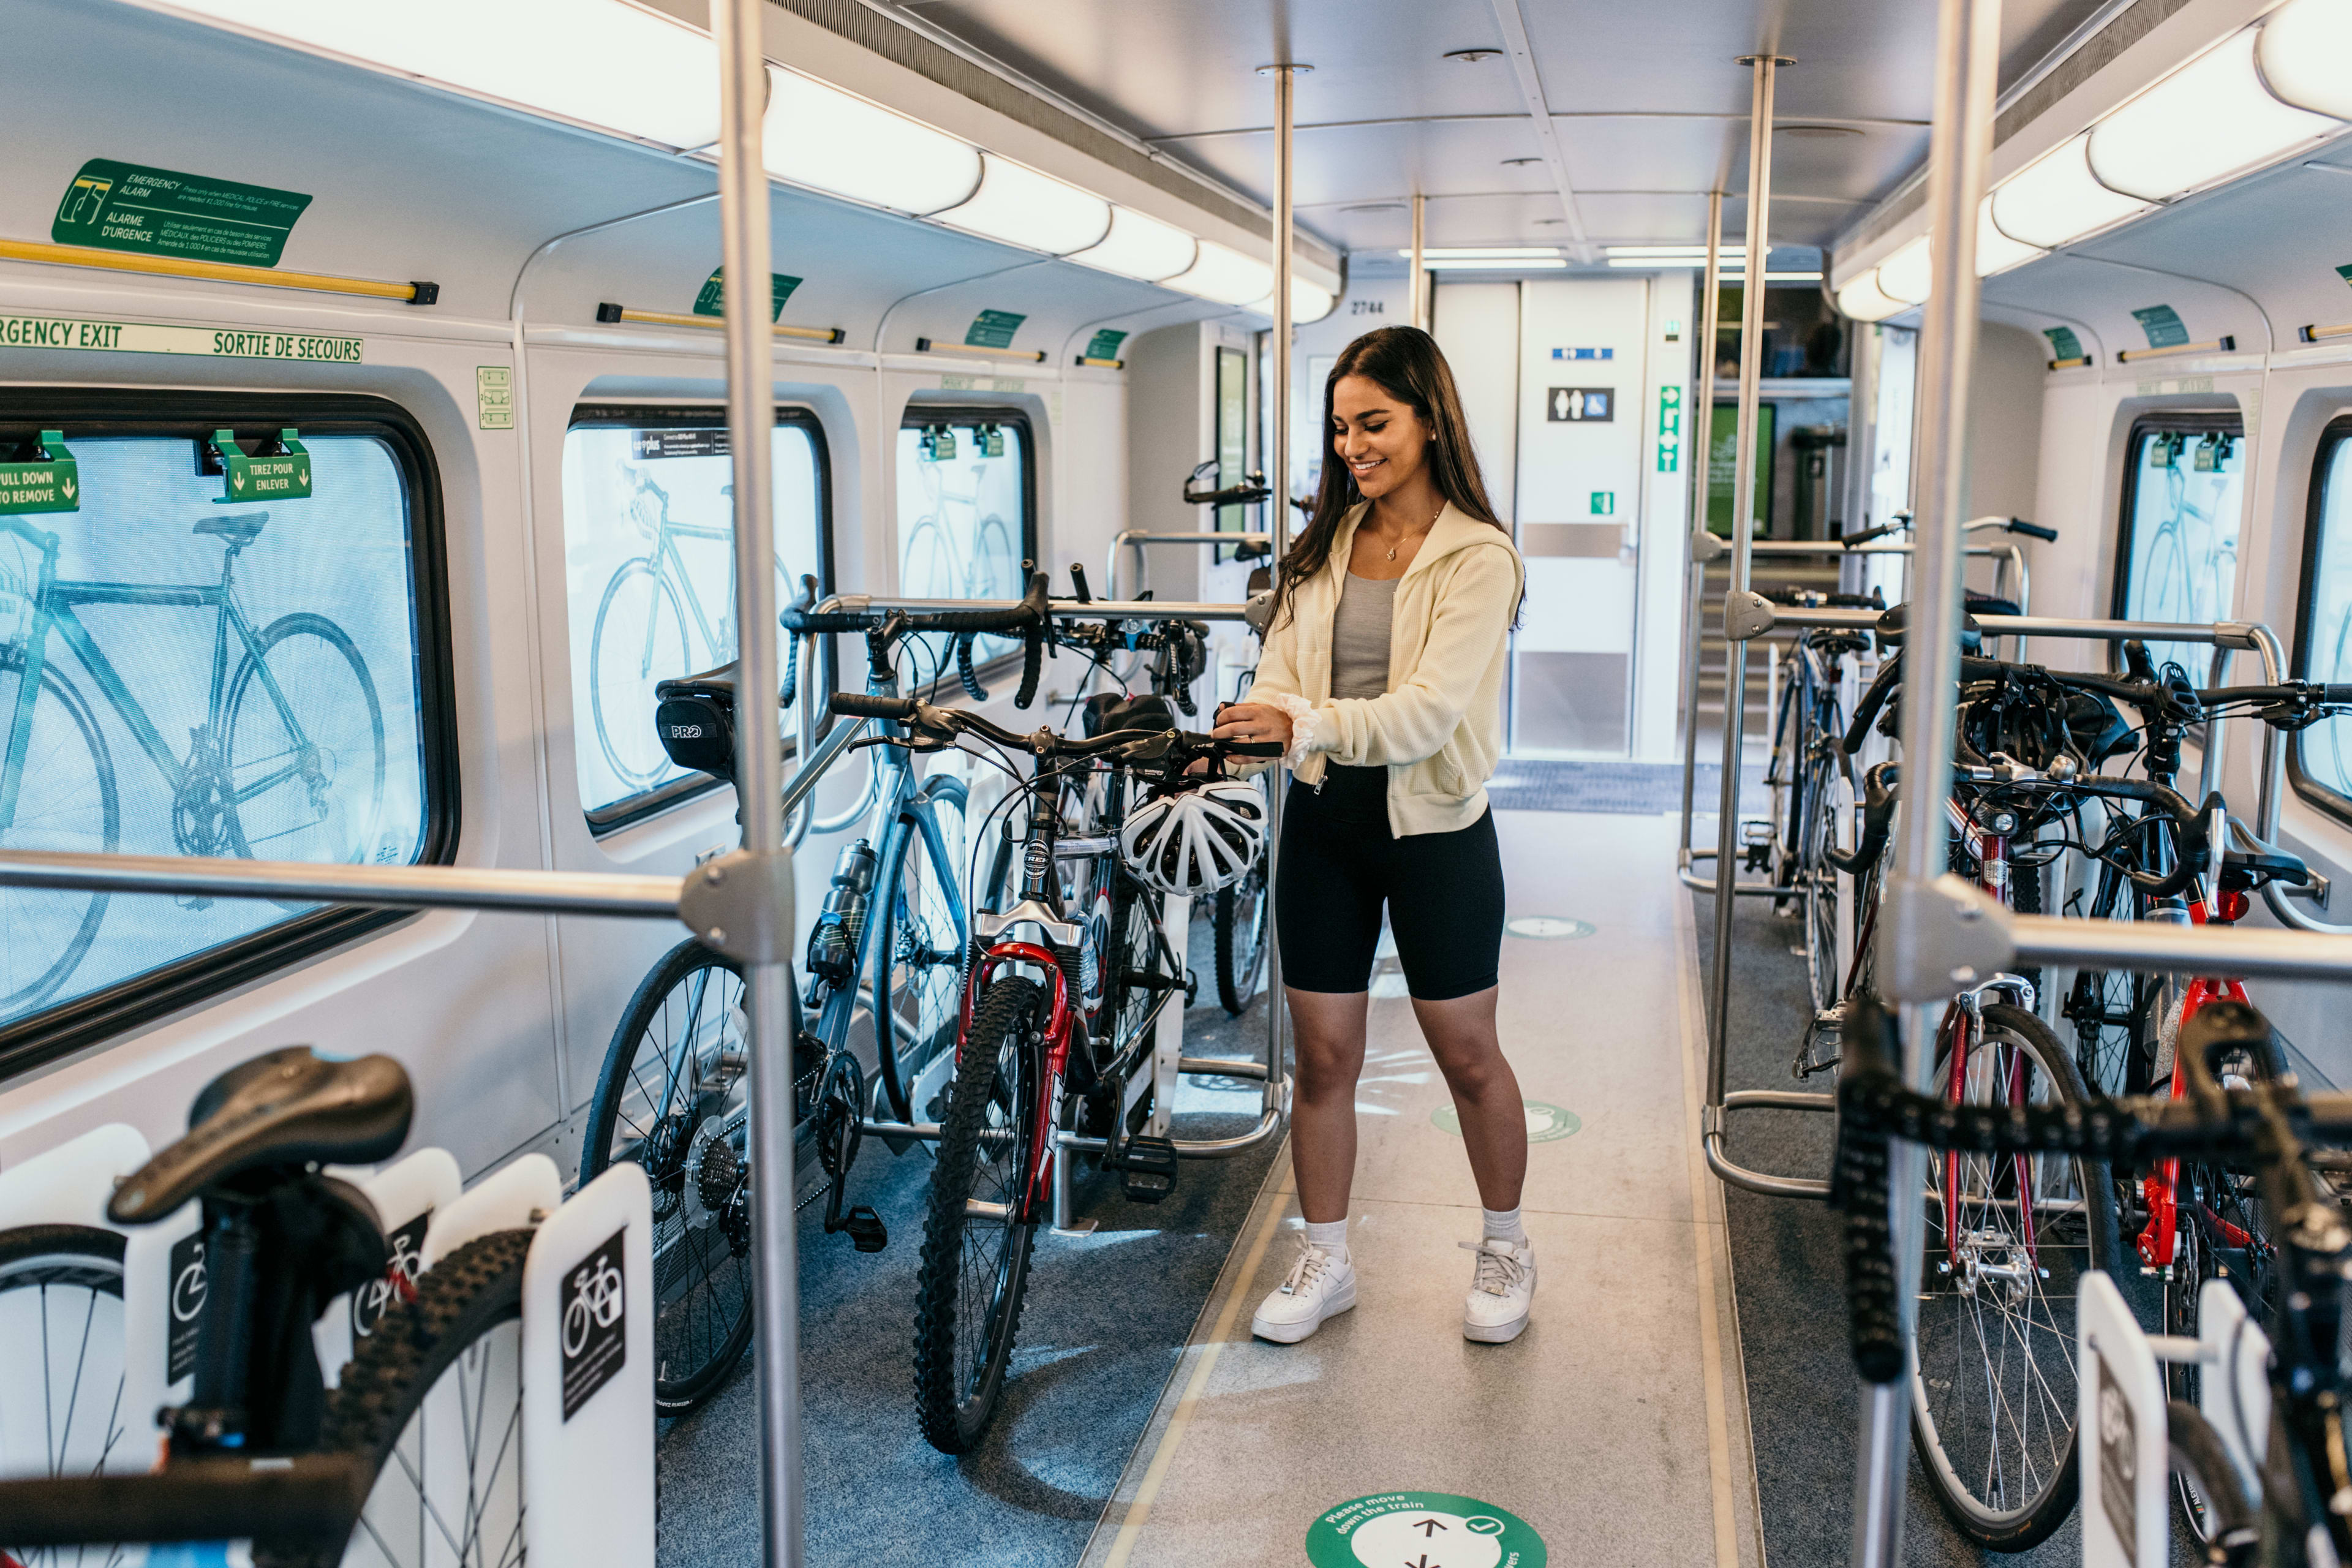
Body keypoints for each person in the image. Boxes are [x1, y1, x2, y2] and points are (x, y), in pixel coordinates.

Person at [1211, 325, 1530, 1345]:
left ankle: (1507, 1244)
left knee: (1468, 1055)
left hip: (1435, 829)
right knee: (1324, 1058)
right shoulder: (1323, 545)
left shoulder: (1480, 559)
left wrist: (1301, 723)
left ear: (1430, 420)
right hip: (1325, 824)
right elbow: (1282, 672)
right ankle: (1327, 1257)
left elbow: (1427, 714)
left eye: (1375, 423)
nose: (1353, 445)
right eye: (1341, 426)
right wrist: (1252, 726)